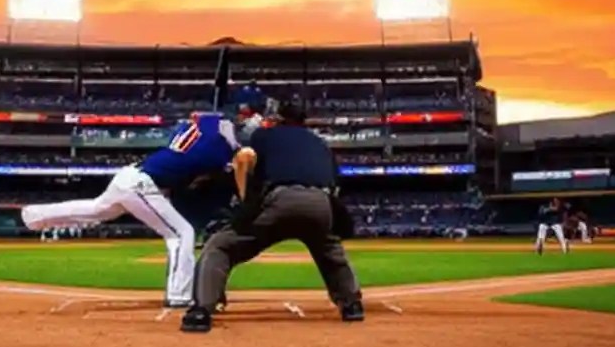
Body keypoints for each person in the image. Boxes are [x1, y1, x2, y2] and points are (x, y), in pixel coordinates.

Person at [21, 111, 250, 308]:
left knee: (95, 210)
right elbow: (236, 160)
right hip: (142, 184)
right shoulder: (217, 151)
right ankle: (178, 296)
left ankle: (35, 215)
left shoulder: (197, 129)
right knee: (182, 234)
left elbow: (206, 121)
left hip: (129, 176)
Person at [182, 99, 362, 333]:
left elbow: (246, 162)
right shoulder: (321, 144)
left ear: (278, 118)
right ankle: (352, 304)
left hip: (279, 200)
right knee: (330, 250)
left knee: (220, 247)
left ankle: (201, 310)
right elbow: (336, 183)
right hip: (321, 202)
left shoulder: (263, 136)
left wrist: (245, 205)